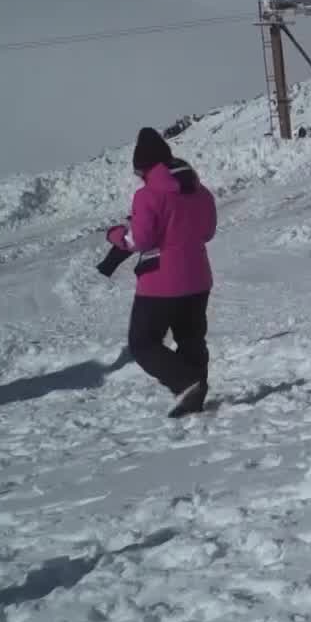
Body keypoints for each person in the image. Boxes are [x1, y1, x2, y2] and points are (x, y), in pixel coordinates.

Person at [105, 127, 218, 418]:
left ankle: (187, 383)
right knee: (191, 338)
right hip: (198, 279)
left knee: (142, 343)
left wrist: (117, 235)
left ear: (143, 167)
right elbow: (207, 232)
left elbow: (138, 241)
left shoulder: (147, 196)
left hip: (161, 284)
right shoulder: (200, 190)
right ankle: (195, 395)